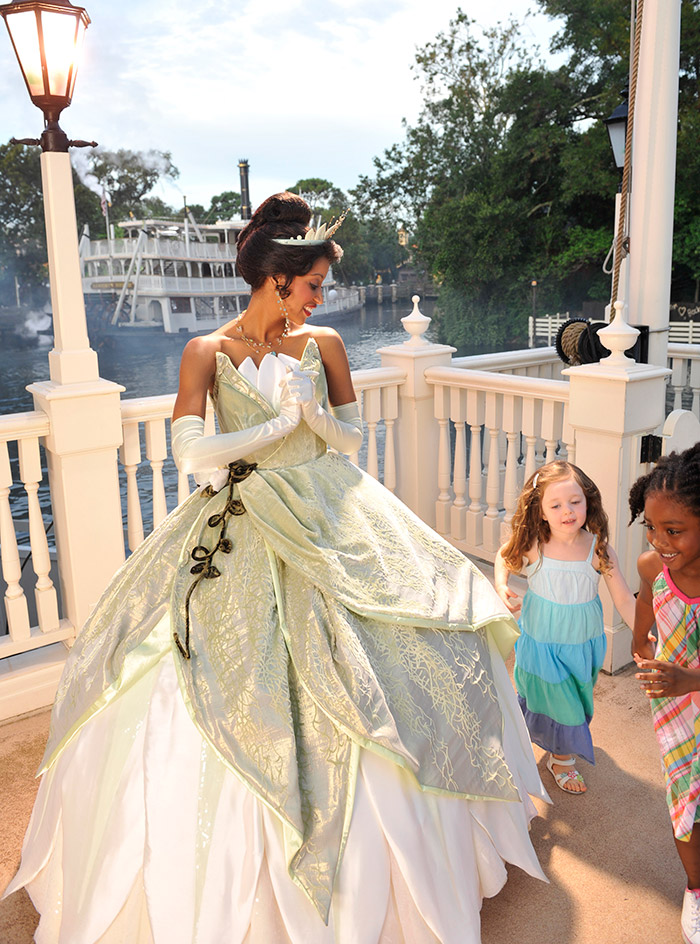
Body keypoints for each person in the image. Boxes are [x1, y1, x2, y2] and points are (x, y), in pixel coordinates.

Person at [6, 192, 547, 944]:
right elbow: (192, 455)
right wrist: (274, 427)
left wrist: (316, 421)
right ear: (277, 279)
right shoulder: (206, 351)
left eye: (322, 287)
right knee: (190, 666)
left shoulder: (323, 344)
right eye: (315, 284)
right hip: (242, 509)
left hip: (331, 504)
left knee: (411, 638)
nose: (323, 298)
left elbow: (352, 440)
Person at [495, 461, 636, 795]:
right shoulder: (534, 544)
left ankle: (554, 743)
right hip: (542, 643)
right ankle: (561, 759)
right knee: (559, 703)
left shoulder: (597, 549)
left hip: (582, 645)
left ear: (588, 502)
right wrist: (501, 585)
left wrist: (647, 636)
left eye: (575, 502)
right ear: (541, 512)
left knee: (576, 701)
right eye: (555, 505)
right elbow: (504, 556)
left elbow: (624, 599)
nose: (567, 511)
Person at [629, 444, 700, 944]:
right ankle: (696, 891)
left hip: (688, 688)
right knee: (686, 805)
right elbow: (645, 611)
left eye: (673, 530)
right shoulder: (653, 566)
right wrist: (640, 643)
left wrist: (689, 679)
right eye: (652, 528)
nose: (660, 541)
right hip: (674, 711)